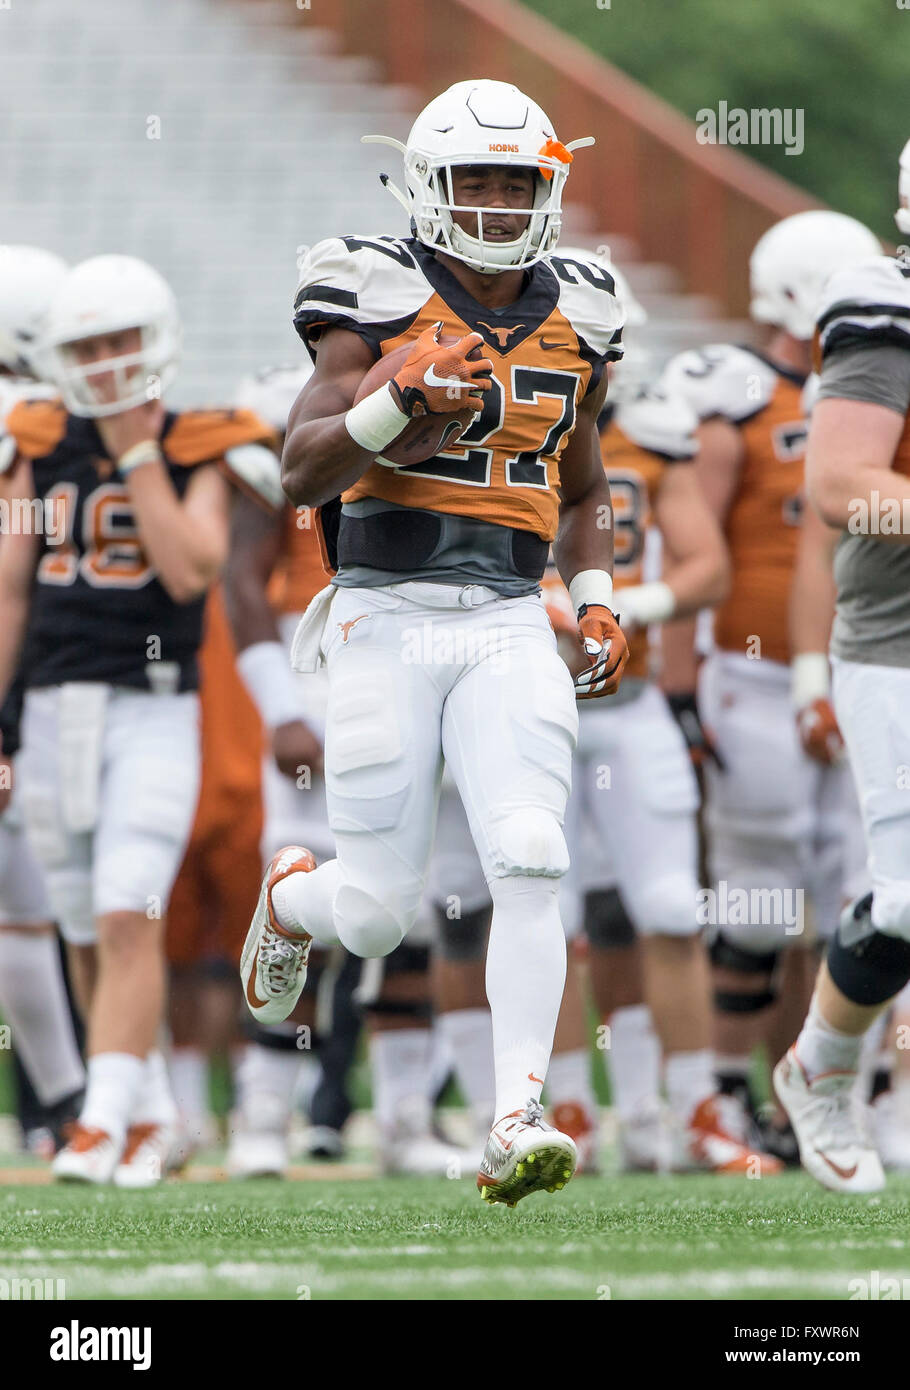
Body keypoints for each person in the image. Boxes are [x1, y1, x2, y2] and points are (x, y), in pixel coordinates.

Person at [241, 78, 629, 1206]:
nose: (500, 204)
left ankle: (516, 1115)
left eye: (518, 183)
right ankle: (292, 900)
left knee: (531, 850)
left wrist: (595, 596)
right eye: (477, 182)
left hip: (509, 614)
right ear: (426, 188)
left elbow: (583, 482)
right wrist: (393, 402)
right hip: (385, 611)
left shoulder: (584, 307)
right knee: (374, 914)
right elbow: (300, 471)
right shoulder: (373, 290)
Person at [0, 253, 273, 1185]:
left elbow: (191, 568)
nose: (108, 362)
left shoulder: (200, 441)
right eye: (88, 347)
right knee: (84, 924)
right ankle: (148, 1112)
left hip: (153, 709)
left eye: (122, 341)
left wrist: (138, 452)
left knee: (127, 910)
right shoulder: (32, 440)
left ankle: (97, 1121)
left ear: (157, 341)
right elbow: (9, 590)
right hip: (51, 709)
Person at [659, 211, 882, 1155]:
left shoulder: (874, 386)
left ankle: (843, 1098)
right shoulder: (734, 400)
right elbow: (691, 549)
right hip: (750, 677)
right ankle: (723, 1089)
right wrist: (679, 695)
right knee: (756, 901)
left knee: (863, 896)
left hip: (864, 664)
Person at [775, 141, 910, 1192]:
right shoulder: (883, 304)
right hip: (898, 635)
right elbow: (843, 487)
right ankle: (820, 1064)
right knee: (906, 904)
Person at [0, 245, 87, 1151]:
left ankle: (66, 1107)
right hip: (25, 682)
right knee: (27, 909)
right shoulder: (23, 429)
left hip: (31, 683)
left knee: (25, 908)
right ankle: (67, 1108)